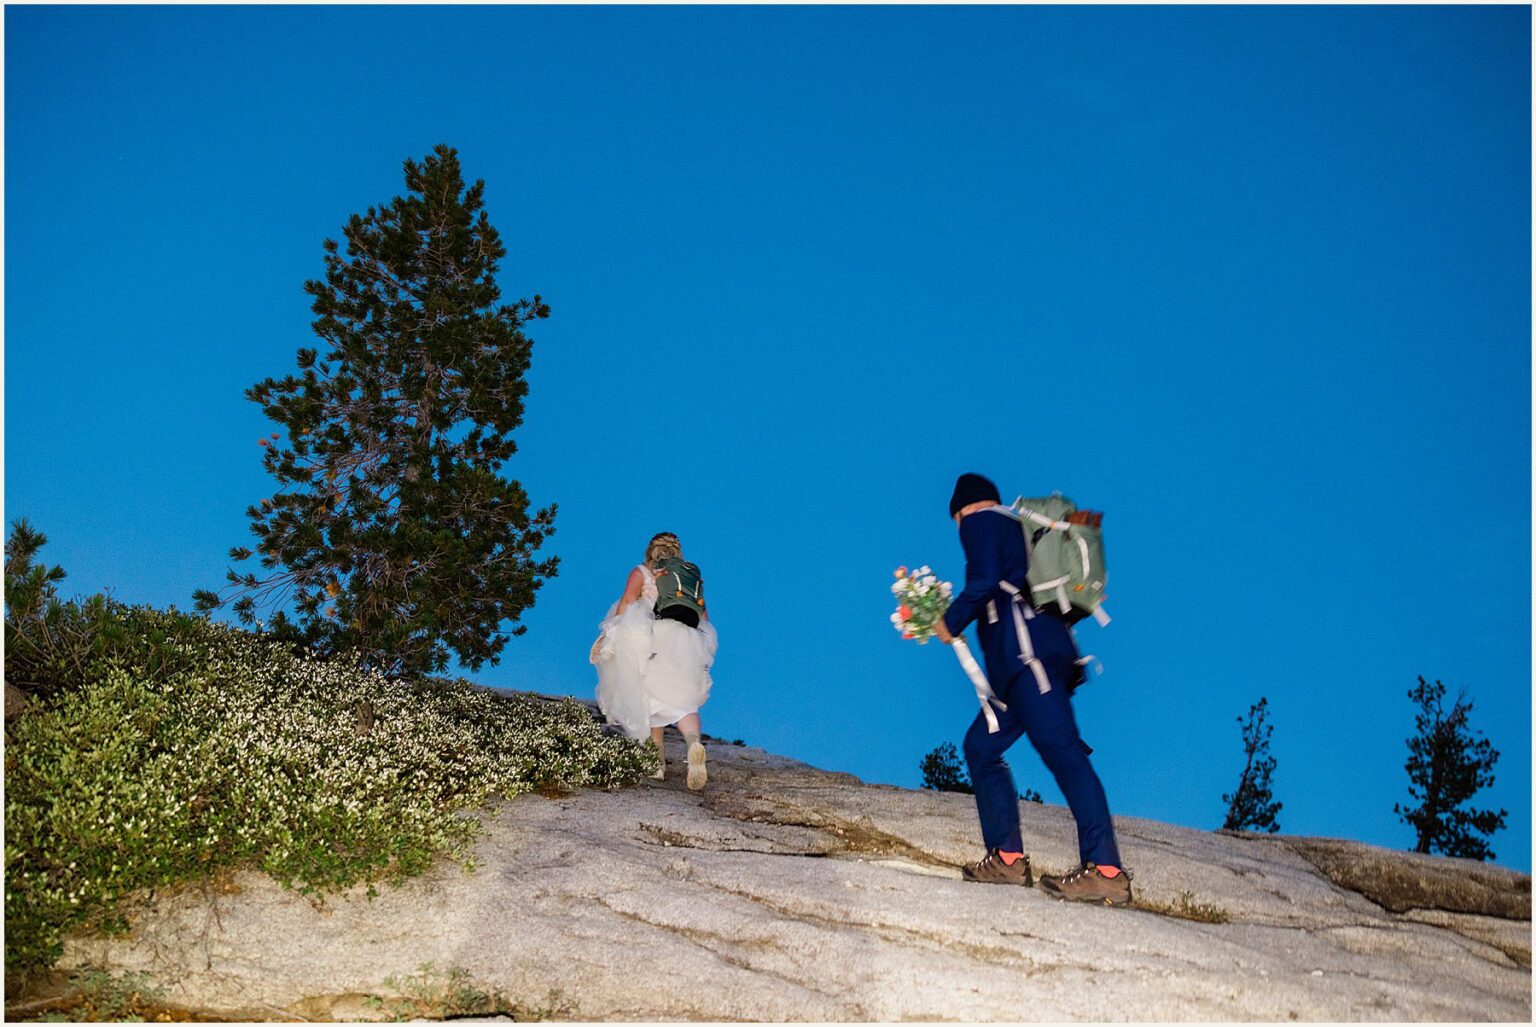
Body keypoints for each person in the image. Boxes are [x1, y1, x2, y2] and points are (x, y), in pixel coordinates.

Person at [933, 473, 1130, 904]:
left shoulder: (982, 521)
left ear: (963, 508)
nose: (958, 529)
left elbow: (983, 581)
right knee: (980, 747)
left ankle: (1107, 870)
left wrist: (949, 622)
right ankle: (1006, 858)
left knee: (1064, 755)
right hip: (1021, 670)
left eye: (956, 520)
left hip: (1029, 663)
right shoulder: (1010, 525)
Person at [591, 532, 717, 790]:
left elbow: (627, 602)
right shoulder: (688, 578)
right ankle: (693, 743)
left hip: (652, 638)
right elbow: (703, 616)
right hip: (687, 639)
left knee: (648, 699)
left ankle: (655, 764)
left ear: (650, 550)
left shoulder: (642, 572)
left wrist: (610, 635)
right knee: (684, 702)